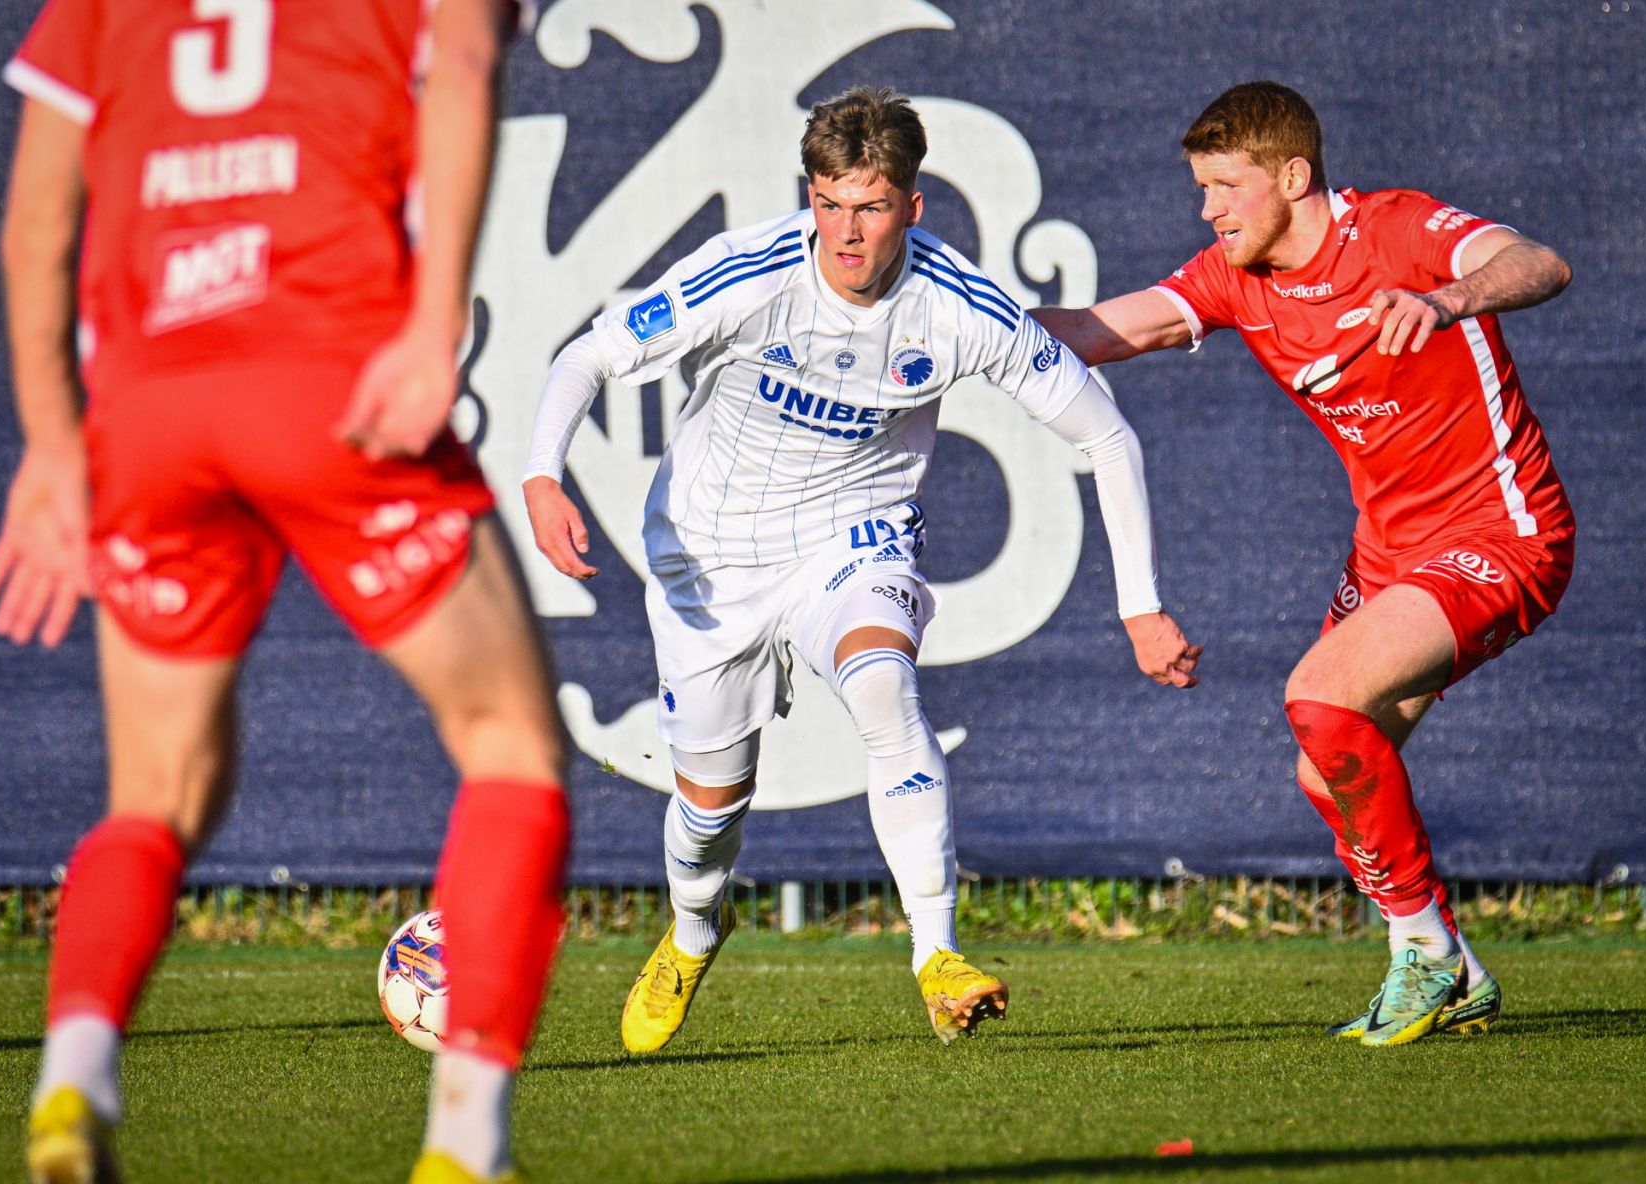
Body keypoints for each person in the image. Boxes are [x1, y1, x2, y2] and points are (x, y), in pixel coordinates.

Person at [0, 1, 568, 1180]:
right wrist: (433, 323)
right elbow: (463, 64)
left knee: (154, 792)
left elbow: (35, 221)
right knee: (509, 745)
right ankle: (464, 1142)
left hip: (151, 405)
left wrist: (51, 441)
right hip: (326, 374)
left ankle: (72, 1077)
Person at [523, 86, 1199, 1053]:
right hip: (709, 559)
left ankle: (937, 955)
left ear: (911, 207)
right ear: (810, 196)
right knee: (708, 811)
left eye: (871, 207)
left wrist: (1141, 605)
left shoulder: (959, 305)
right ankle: (694, 929)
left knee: (884, 685)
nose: (846, 231)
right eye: (830, 203)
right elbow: (586, 358)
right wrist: (543, 478)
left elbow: (1107, 435)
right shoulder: (747, 275)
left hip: (853, 537)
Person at [1034, 80, 1575, 1047]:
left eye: (1226, 186)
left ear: (1292, 176)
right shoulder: (1233, 276)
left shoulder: (1397, 229)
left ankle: (1424, 953)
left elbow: (1542, 263)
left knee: (1320, 697)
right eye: (1202, 188)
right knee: (1327, 776)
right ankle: (1458, 968)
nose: (1210, 209)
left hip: (1504, 536)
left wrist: (1447, 299)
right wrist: (951, 324)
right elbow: (1104, 331)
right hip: (1391, 554)